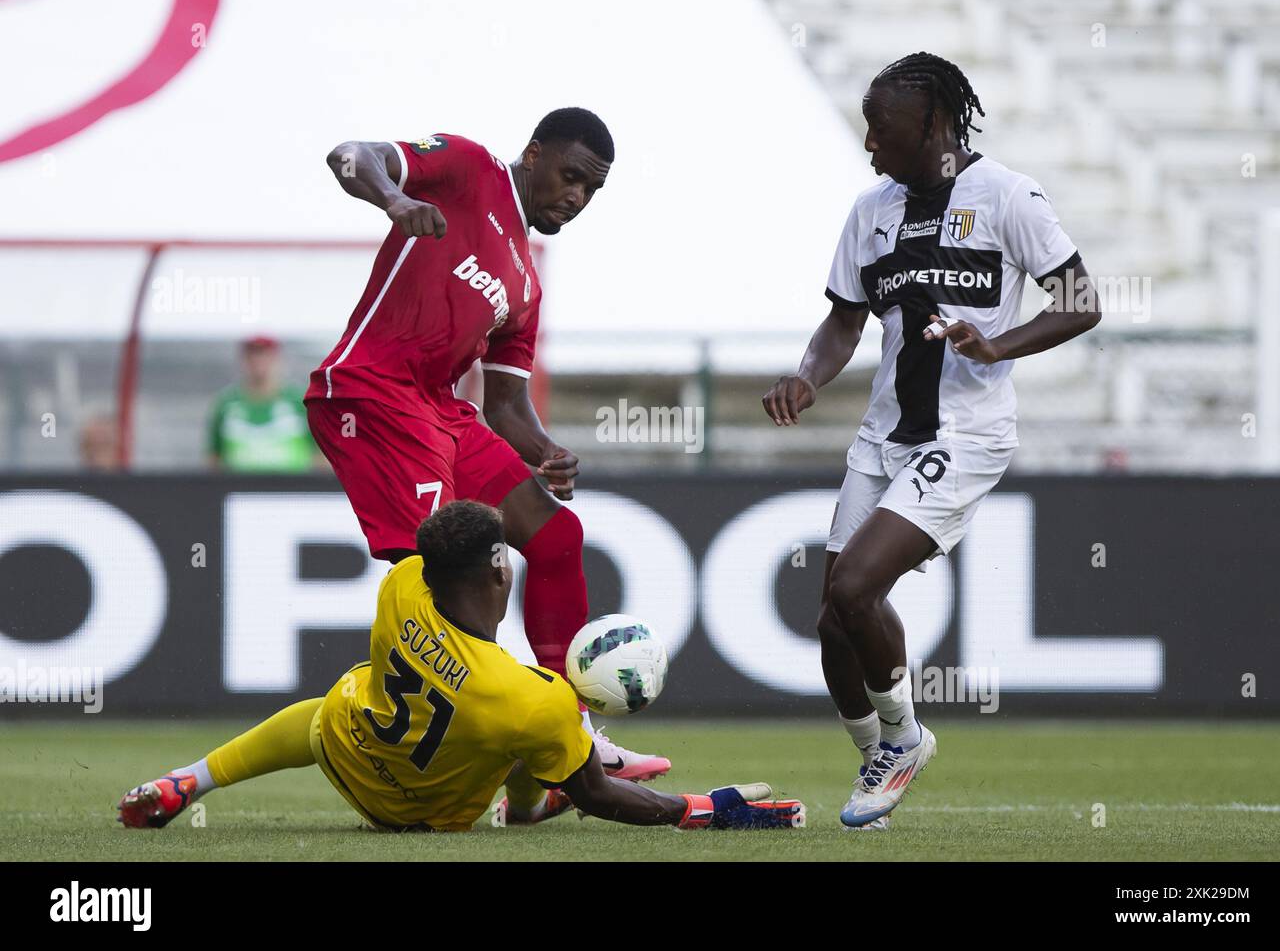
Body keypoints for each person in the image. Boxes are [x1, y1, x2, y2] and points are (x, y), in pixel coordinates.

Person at [762, 52, 1100, 830]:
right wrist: (807, 377)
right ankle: (878, 762)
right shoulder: (870, 211)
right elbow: (843, 321)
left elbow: (1081, 301)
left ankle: (904, 740)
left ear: (934, 123)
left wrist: (999, 343)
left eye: (882, 128)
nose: (870, 142)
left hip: (965, 433)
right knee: (833, 624)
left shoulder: (1008, 196)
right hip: (882, 437)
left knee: (856, 589)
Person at [305, 108, 667, 779]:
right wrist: (396, 201)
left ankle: (571, 731)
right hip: (371, 391)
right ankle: (475, 747)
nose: (577, 197)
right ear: (533, 154)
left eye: (591, 190)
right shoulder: (470, 169)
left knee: (556, 536)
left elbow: (504, 404)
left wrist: (545, 450)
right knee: (457, 573)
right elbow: (349, 154)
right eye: (570, 176)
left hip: (441, 410)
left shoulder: (526, 282)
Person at [116, 501, 804, 834]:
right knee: (535, 729)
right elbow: (600, 797)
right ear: (500, 569)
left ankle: (189, 780)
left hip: (347, 748)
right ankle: (528, 808)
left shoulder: (402, 585)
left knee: (339, 699)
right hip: (418, 812)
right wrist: (705, 809)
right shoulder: (530, 697)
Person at [209, 335, 315, 472]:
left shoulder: (300, 402)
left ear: (277, 359)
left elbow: (320, 454)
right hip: (240, 485)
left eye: (264, 355)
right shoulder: (226, 405)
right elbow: (214, 458)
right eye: (252, 355)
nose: (258, 361)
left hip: (292, 485)